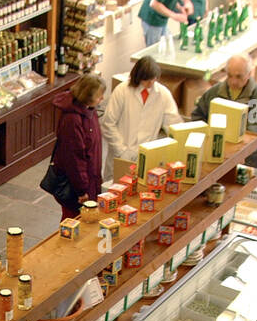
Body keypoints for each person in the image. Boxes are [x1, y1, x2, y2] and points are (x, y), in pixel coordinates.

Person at [191, 53, 257, 169]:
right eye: (230, 76)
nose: (233, 81)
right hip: (215, 155)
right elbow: (198, 116)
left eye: (239, 77)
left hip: (246, 161)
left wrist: (234, 150)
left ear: (249, 74)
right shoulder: (214, 93)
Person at [99, 55, 180, 167]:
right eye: (147, 80)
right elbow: (108, 124)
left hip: (147, 154)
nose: (151, 83)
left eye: (154, 79)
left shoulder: (163, 94)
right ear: (138, 76)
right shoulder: (122, 91)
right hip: (120, 155)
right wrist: (122, 150)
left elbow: (174, 125)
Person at [46, 74, 105, 220]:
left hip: (90, 178)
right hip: (77, 184)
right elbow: (74, 159)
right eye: (99, 96)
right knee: (74, 220)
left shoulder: (89, 111)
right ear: (87, 96)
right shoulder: (73, 120)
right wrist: (82, 190)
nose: (102, 99)